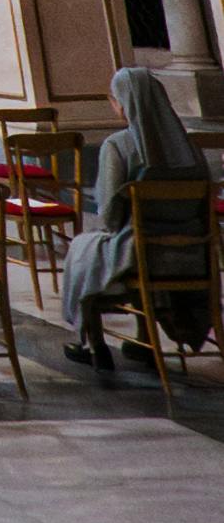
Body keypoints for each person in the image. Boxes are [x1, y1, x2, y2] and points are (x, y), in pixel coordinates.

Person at [60, 65, 215, 375]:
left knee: (84, 250)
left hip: (139, 252)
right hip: (192, 253)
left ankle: (93, 344)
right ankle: (144, 337)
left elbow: (108, 216)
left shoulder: (118, 145)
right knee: (126, 246)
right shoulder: (190, 149)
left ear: (122, 103)